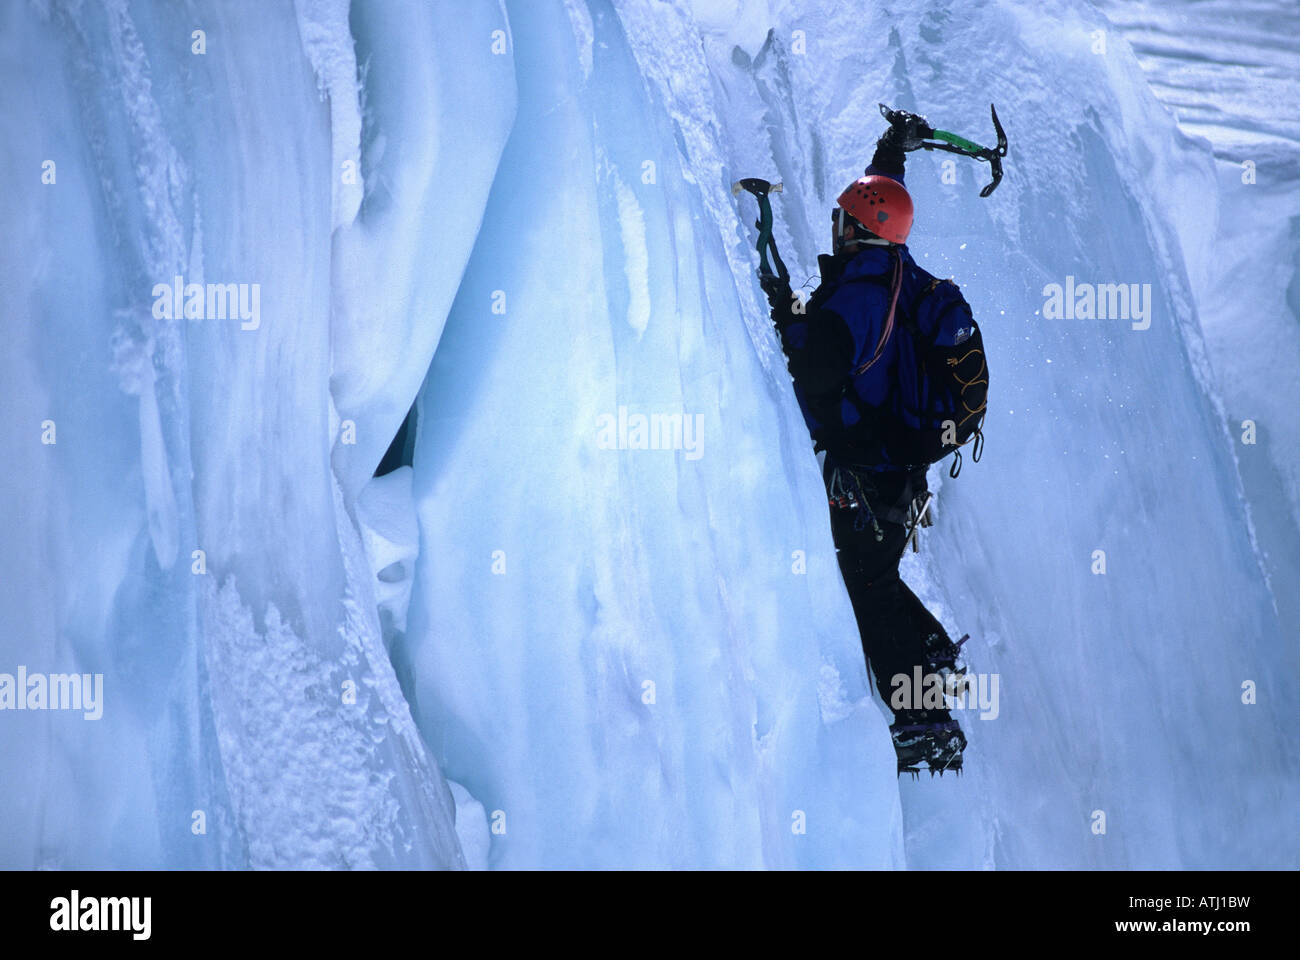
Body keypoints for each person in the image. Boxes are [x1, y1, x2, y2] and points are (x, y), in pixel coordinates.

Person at [762, 110, 987, 775]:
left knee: (865, 585)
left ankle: (925, 723)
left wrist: (786, 312)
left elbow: (820, 367)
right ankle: (935, 659)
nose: (836, 224)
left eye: (843, 218)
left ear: (858, 229)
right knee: (878, 576)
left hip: (871, 470)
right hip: (899, 470)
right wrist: (893, 149)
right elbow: (885, 196)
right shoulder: (903, 269)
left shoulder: (861, 294)